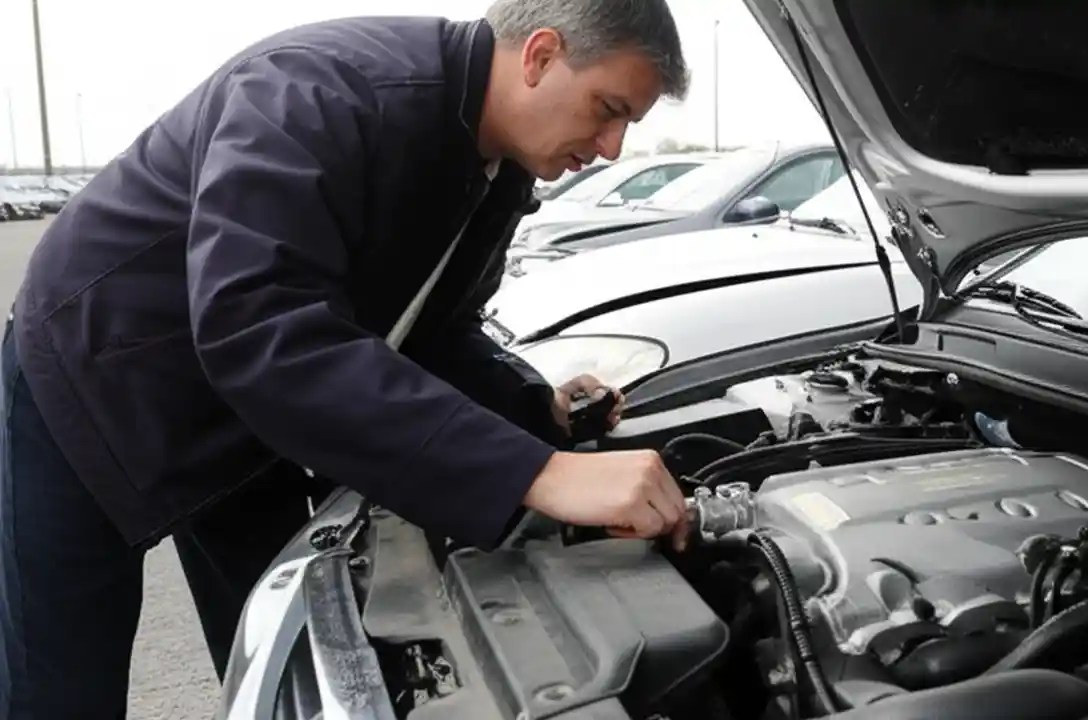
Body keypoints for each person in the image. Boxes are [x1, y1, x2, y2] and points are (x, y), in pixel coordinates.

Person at [0, 1, 690, 716]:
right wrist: (538, 475)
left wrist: (532, 408)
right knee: (61, 687)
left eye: (628, 124)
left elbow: (434, 333)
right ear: (541, 56)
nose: (611, 147)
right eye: (608, 109)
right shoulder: (319, 90)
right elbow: (257, 325)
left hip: (244, 409)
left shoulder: (498, 168)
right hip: (90, 370)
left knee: (287, 647)